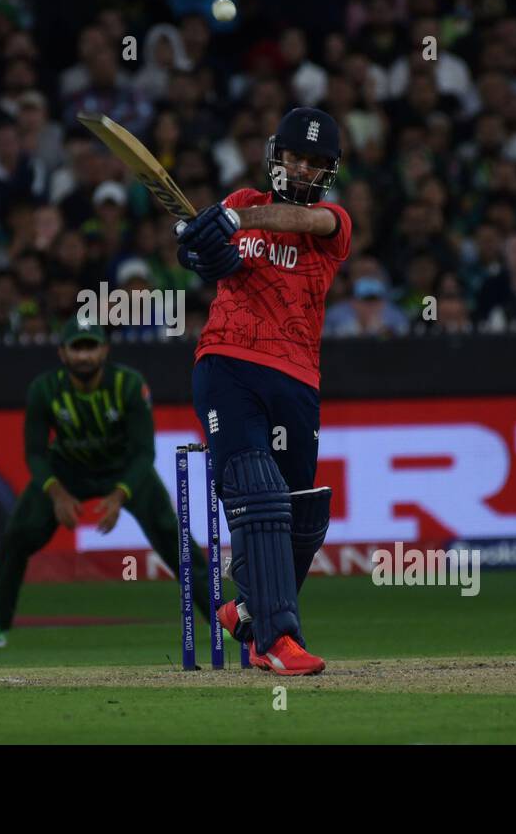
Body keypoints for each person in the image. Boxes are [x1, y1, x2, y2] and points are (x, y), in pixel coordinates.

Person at [174, 106, 353, 676]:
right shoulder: (239, 201)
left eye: (315, 162)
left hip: (298, 377)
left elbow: (301, 224)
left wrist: (238, 223)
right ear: (278, 154)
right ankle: (276, 640)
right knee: (258, 490)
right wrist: (201, 246)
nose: (301, 169)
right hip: (228, 363)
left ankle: (248, 612)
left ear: (328, 173)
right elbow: (217, 263)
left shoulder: (332, 221)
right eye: (296, 156)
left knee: (301, 514)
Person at [0, 315, 210, 648]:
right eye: (76, 348)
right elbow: (35, 454)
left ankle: (219, 617)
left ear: (105, 350)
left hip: (123, 469)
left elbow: (144, 452)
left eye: (90, 347)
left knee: (173, 538)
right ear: (62, 354)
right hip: (66, 469)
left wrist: (120, 495)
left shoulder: (129, 384)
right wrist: (57, 495)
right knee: (16, 537)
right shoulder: (44, 389)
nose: (84, 356)